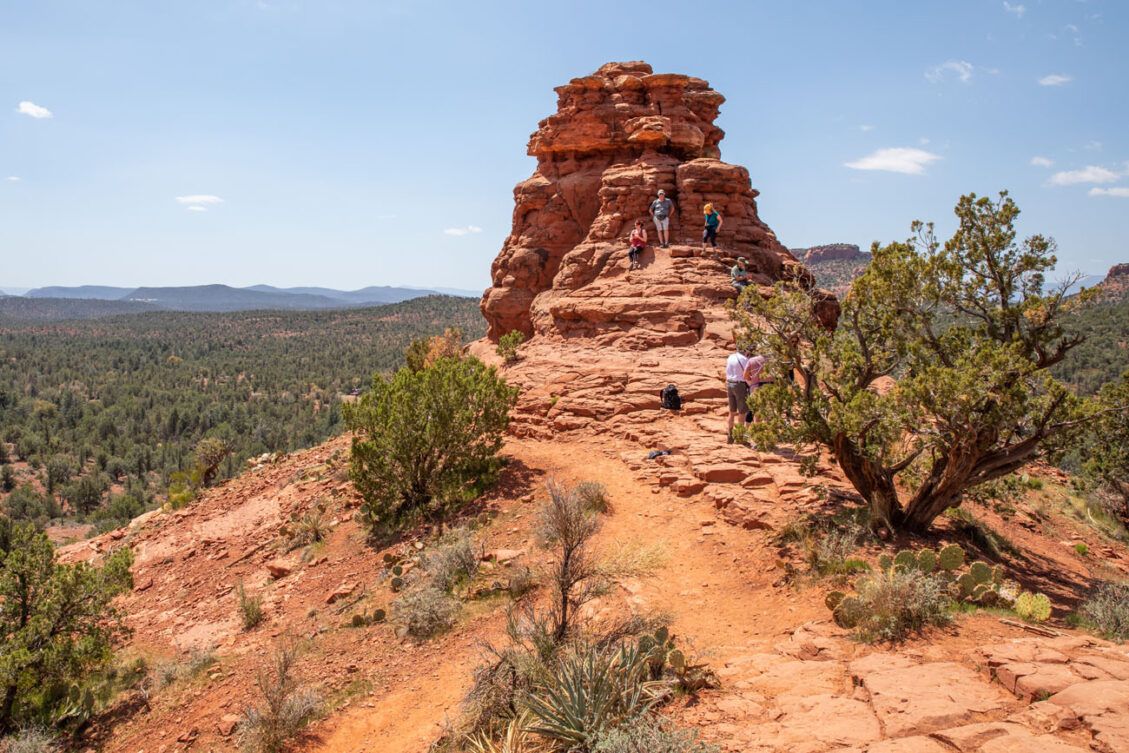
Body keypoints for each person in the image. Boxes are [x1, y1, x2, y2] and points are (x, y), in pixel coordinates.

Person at [725, 347, 750, 443]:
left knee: (731, 412)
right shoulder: (744, 359)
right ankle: (740, 437)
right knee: (742, 412)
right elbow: (746, 374)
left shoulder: (731, 357)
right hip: (740, 385)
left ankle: (730, 436)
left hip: (730, 383)